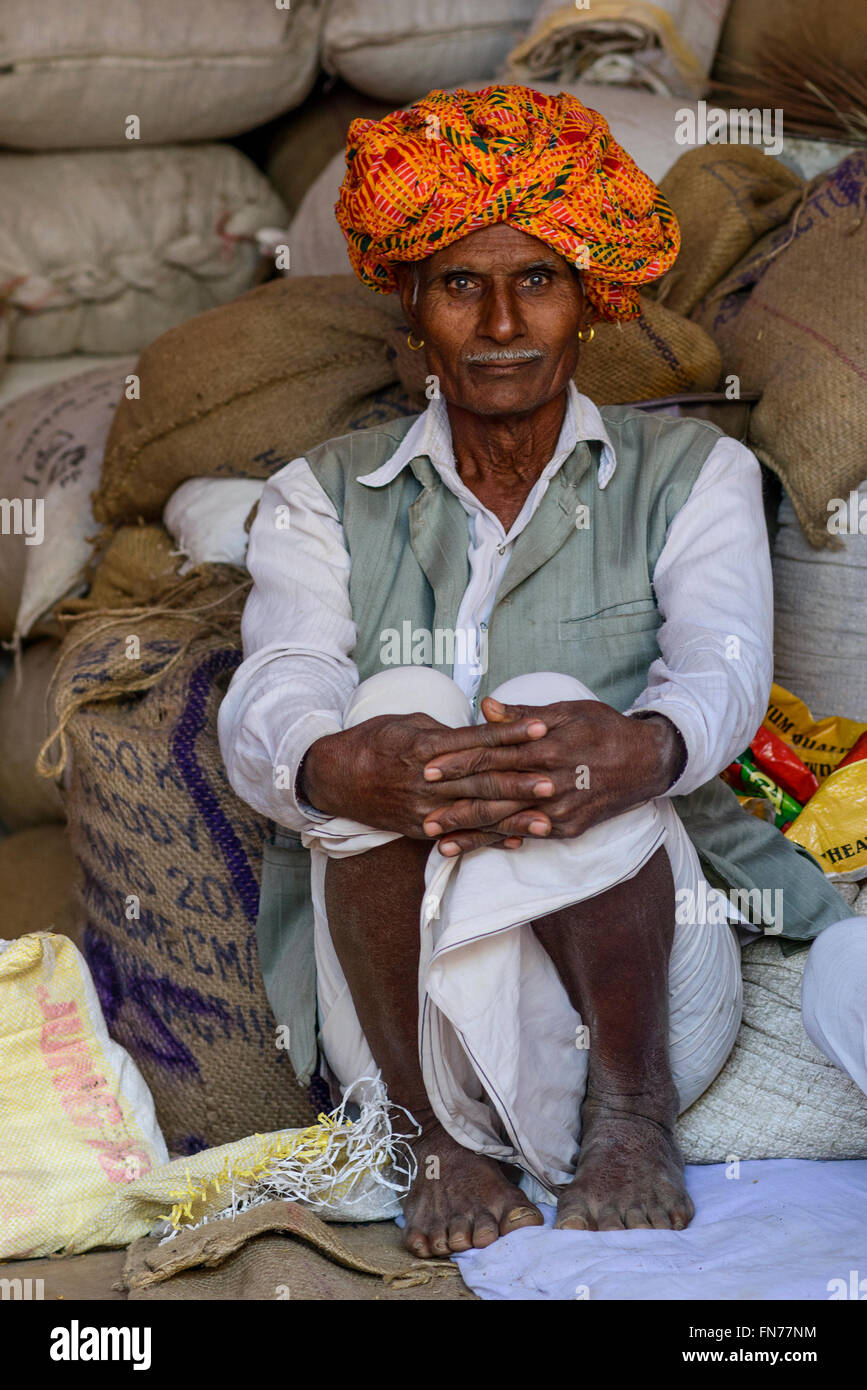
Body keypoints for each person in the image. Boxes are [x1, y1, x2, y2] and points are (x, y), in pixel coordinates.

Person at [219, 85, 862, 1258]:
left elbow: (721, 668)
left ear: (591, 305)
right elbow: (275, 686)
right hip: (405, 1017)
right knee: (388, 710)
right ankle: (431, 1148)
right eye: (463, 283)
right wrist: (335, 763)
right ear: (413, 307)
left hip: (638, 1002)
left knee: (566, 715)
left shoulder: (693, 473)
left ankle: (631, 1118)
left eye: (540, 282)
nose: (504, 320)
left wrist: (644, 747)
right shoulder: (320, 494)